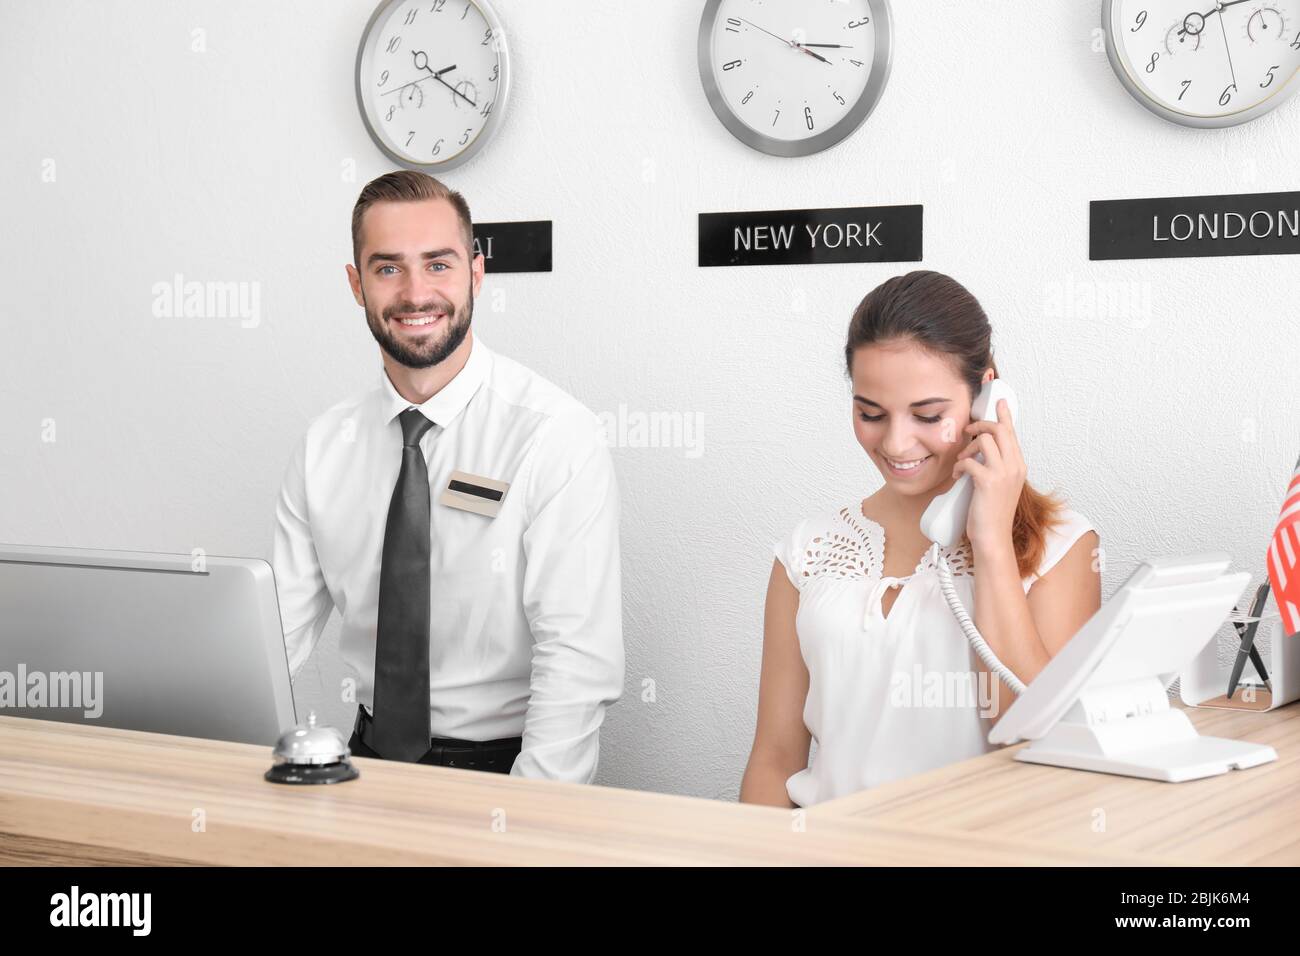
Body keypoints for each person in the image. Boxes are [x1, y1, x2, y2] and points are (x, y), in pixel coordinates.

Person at [272, 170, 624, 782]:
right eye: (387, 269)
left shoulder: (554, 435)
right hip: (364, 767)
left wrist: (525, 825)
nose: (415, 293)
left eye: (438, 264)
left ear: (476, 273)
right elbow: (273, 638)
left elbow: (577, 662)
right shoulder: (325, 446)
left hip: (504, 771)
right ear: (356, 285)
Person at [740, 270, 1101, 808]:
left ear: (987, 396)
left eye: (928, 415)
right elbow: (774, 756)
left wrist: (993, 543)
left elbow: (1035, 741)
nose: (896, 442)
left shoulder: (1064, 548)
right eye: (871, 413)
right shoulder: (806, 553)